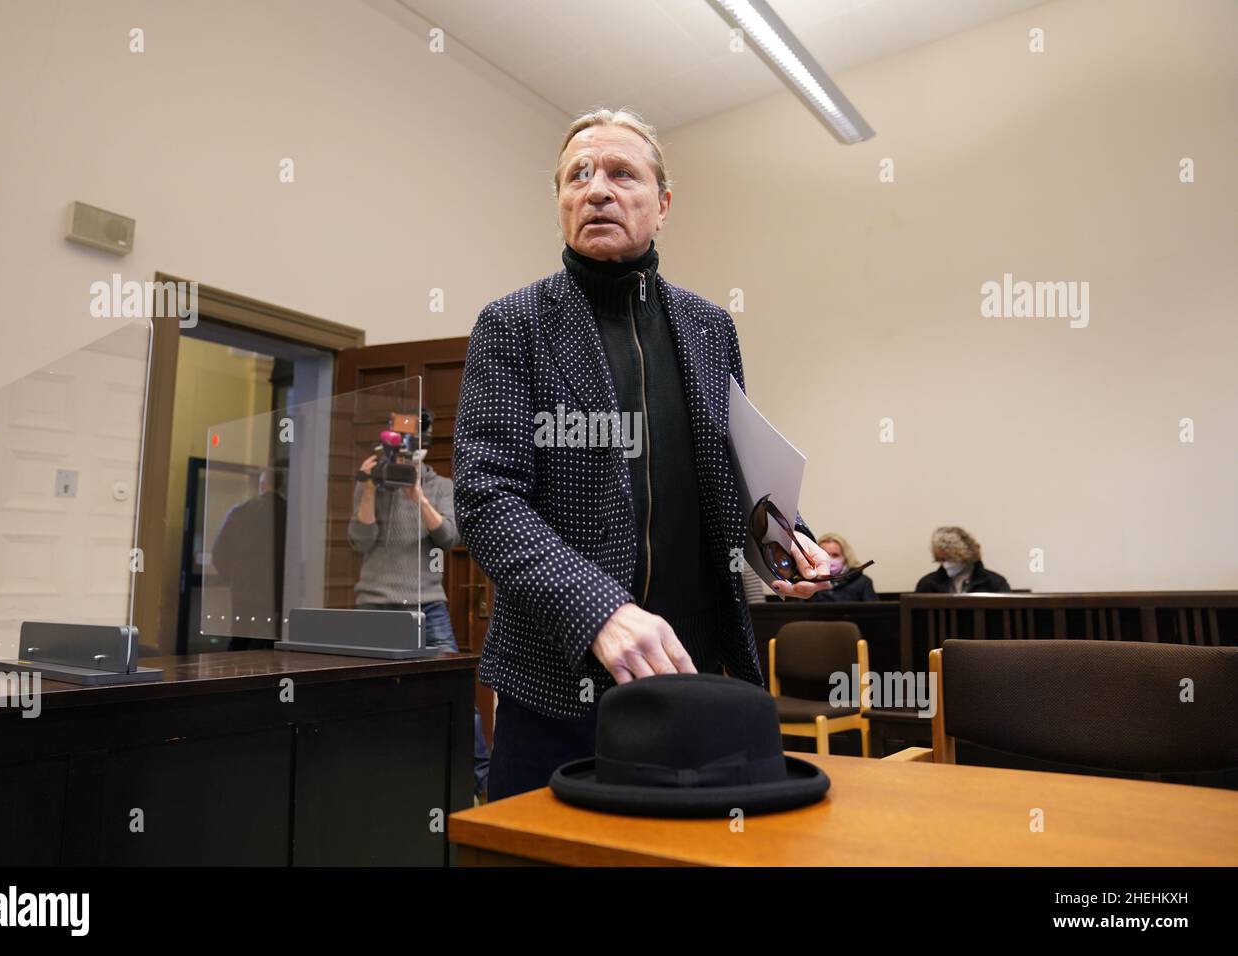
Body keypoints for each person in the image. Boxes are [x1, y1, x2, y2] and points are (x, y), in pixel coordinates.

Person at [453, 107, 834, 801]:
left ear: (662, 205)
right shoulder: (511, 324)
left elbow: (727, 479)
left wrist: (783, 543)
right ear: (562, 203)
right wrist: (597, 609)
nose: (597, 188)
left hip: (693, 675)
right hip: (558, 683)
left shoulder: (710, 327)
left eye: (622, 173)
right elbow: (486, 497)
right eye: (578, 175)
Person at [349, 409, 491, 798]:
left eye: (411, 444)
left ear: (424, 448)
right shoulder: (371, 482)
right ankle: (376, 783)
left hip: (426, 604)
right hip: (374, 605)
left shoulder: (441, 485)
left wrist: (418, 497)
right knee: (367, 696)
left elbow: (449, 538)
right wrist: (367, 486)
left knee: (457, 692)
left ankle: (484, 784)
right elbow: (359, 540)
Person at [211, 465, 286, 646]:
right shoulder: (290, 514)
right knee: (269, 642)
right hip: (276, 592)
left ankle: (234, 673)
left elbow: (218, 553)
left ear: (262, 485)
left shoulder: (241, 512)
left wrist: (232, 578)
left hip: (243, 590)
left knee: (239, 640)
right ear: (281, 486)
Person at [914, 525, 1010, 594]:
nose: (946, 564)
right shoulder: (928, 584)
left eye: (951, 558)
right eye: (942, 559)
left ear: (968, 555)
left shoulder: (995, 583)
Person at [810, 532, 878, 602]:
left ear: (845, 556)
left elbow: (873, 612)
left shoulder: (863, 582)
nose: (829, 559)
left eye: (835, 555)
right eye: (825, 555)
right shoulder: (808, 581)